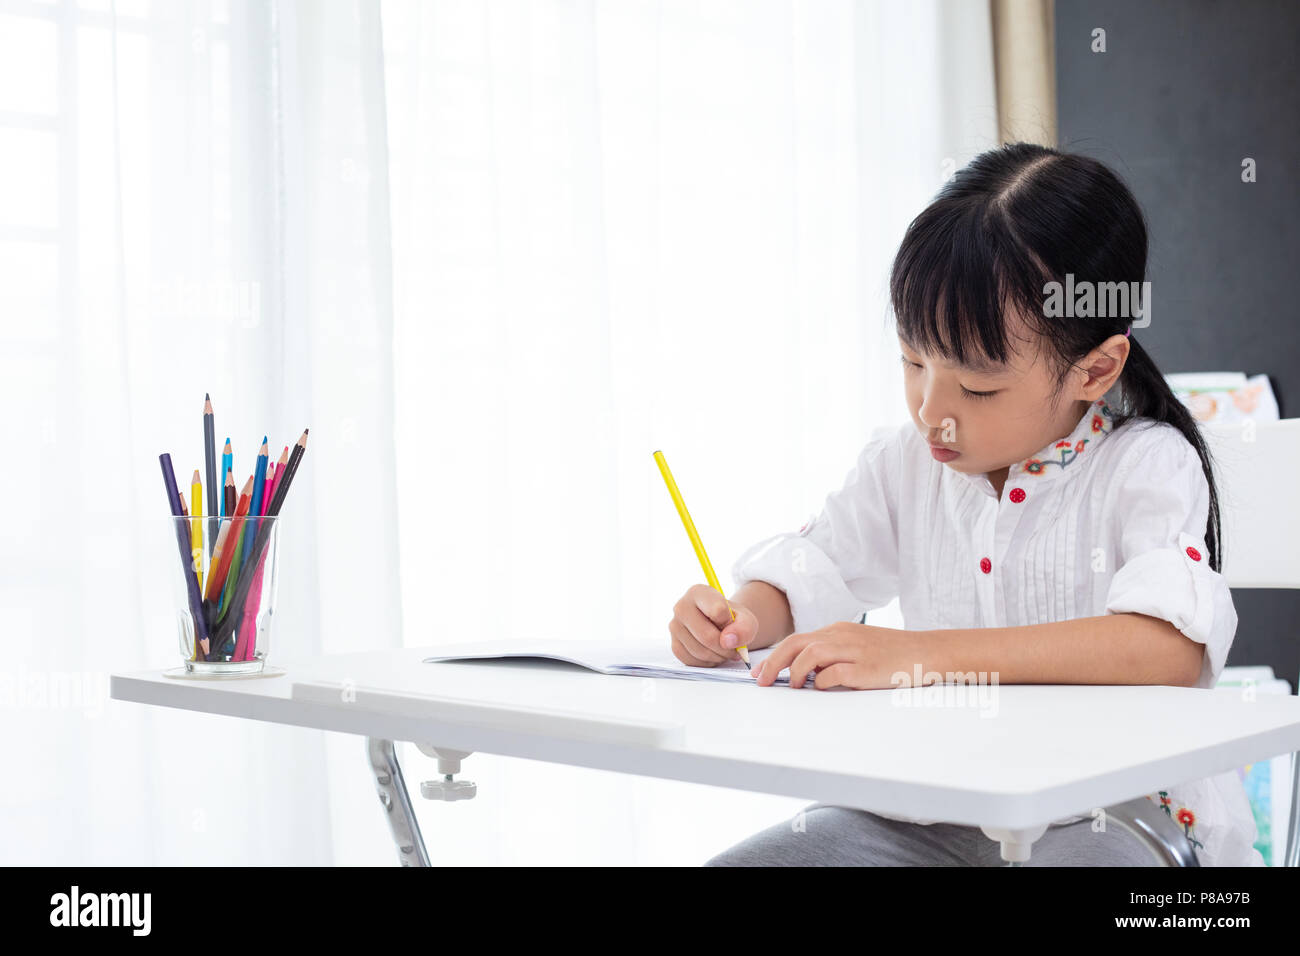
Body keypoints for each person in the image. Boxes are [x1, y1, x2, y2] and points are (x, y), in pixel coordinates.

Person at [668, 142, 1262, 867]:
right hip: (923, 810)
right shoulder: (902, 464)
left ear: (1096, 368)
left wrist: (922, 658)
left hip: (1109, 819)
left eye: (978, 388)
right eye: (914, 361)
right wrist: (744, 616)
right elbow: (815, 567)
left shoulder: (1146, 464)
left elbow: (1166, 649)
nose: (930, 410)